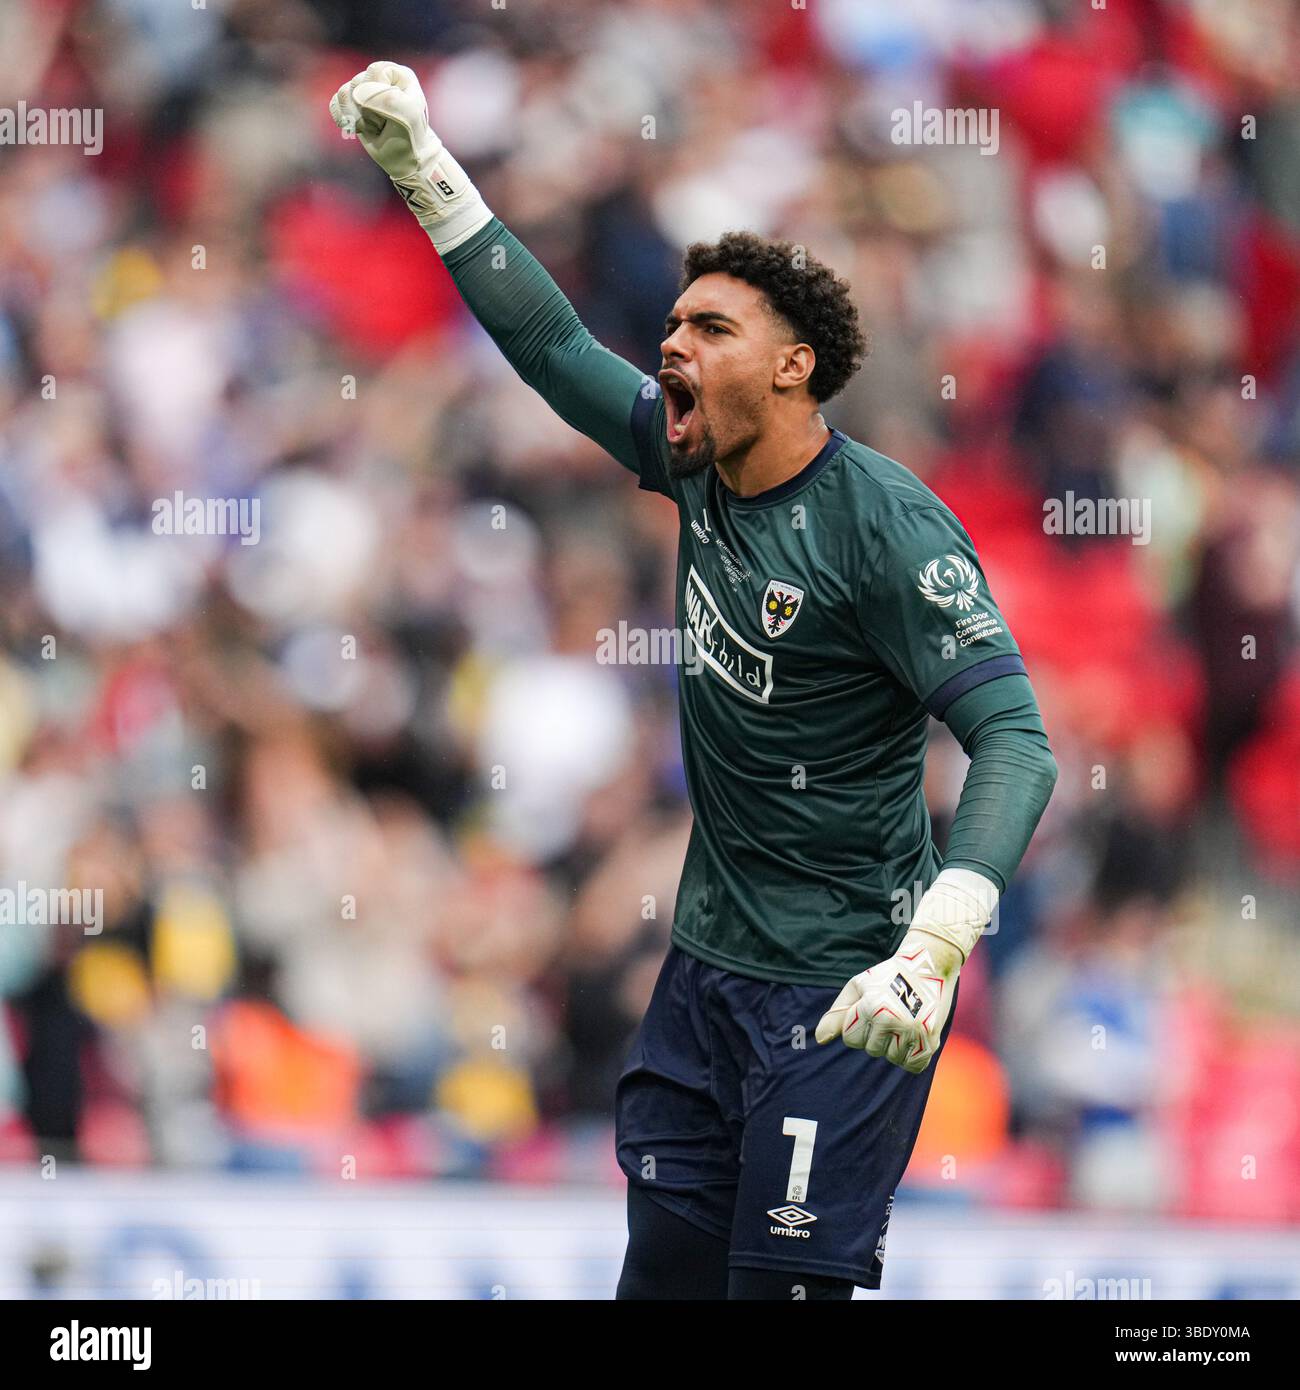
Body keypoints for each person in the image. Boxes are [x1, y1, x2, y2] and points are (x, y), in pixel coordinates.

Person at [330, 62, 1058, 1301]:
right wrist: (421, 170)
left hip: (847, 995)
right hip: (704, 973)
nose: (670, 342)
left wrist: (937, 945)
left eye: (710, 328)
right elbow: (552, 344)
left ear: (794, 368)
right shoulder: (693, 463)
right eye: (671, 323)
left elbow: (1016, 740)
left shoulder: (887, 529)